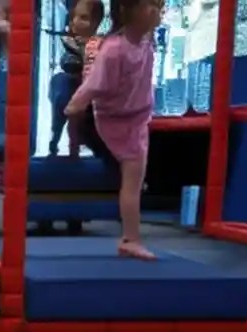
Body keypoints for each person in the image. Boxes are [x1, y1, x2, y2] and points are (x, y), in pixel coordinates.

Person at [65, 0, 163, 260]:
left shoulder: (146, 43)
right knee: (132, 182)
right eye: (149, 6)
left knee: (134, 182)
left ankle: (131, 238)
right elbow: (95, 83)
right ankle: (130, 239)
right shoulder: (114, 49)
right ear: (126, 12)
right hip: (114, 120)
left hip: (138, 119)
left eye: (159, 5)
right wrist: (76, 103)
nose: (156, 11)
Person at [47, 0, 104, 156]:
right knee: (65, 97)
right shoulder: (71, 41)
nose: (76, 22)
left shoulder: (100, 43)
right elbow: (67, 62)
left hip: (91, 91)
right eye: (73, 18)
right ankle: (59, 141)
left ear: (96, 22)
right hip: (75, 88)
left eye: (83, 18)